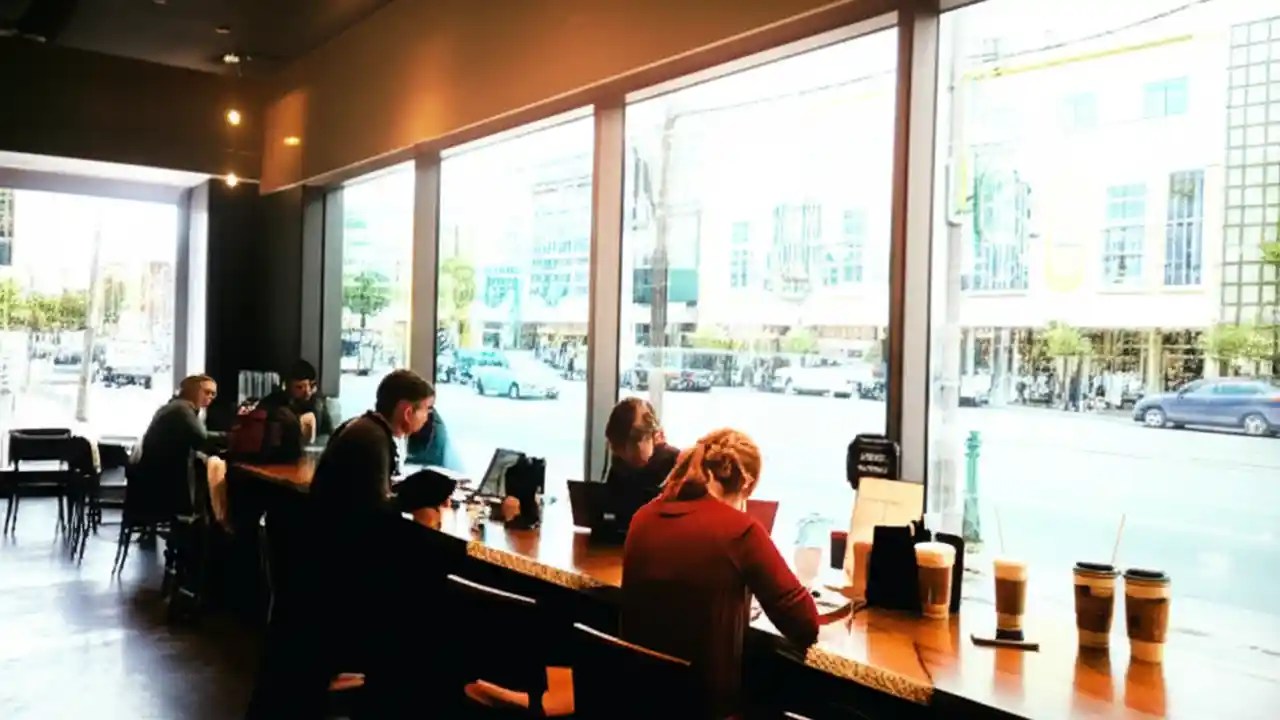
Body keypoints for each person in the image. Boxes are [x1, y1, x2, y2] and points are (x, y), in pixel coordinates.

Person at [621, 428, 819, 719]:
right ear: (746, 485)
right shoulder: (740, 531)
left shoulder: (642, 518)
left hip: (637, 704)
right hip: (706, 710)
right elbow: (805, 624)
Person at [309, 369, 434, 517]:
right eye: (427, 409)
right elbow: (378, 510)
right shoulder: (373, 440)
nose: (427, 417)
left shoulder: (362, 426)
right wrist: (419, 504)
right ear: (407, 412)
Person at [133, 374, 219, 517]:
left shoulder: (175, 406)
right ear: (192, 391)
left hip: (152, 475)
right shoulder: (182, 410)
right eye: (206, 392)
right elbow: (201, 438)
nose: (210, 397)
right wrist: (232, 438)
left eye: (213, 394)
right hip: (162, 483)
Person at [601, 397, 679, 534]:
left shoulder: (677, 464)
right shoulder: (620, 463)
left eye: (632, 443)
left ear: (654, 436)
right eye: (618, 447)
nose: (625, 454)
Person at [260, 360, 334, 442]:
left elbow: (327, 435)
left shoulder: (318, 404)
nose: (307, 392)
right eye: (299, 387)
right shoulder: (274, 401)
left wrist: (296, 423)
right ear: (286, 386)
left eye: (311, 385)